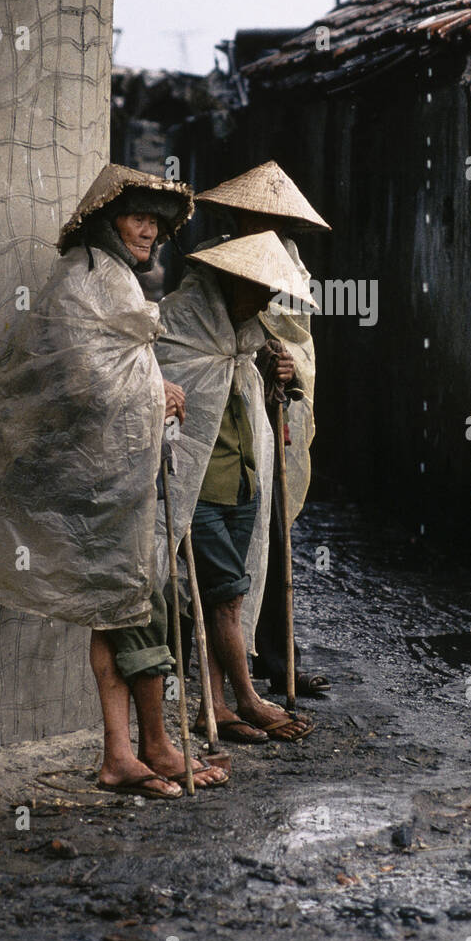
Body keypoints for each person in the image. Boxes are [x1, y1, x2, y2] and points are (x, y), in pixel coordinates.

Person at [0, 163, 225, 799]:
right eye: (139, 218)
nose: (151, 232)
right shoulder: (86, 278)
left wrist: (148, 385)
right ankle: (148, 748)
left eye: (159, 223)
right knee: (130, 607)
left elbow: (115, 366)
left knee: (129, 609)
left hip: (118, 480)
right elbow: (81, 382)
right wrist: (152, 391)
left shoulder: (111, 278)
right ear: (108, 221)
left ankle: (132, 752)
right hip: (93, 486)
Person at [155, 232, 316, 744]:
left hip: (244, 481)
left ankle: (216, 708)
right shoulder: (179, 323)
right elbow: (149, 382)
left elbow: (257, 401)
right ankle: (247, 698)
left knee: (228, 595)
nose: (264, 302)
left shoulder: (249, 341)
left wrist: (279, 375)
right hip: (198, 486)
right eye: (255, 289)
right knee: (223, 597)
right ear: (227, 280)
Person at [195, 162, 332, 696]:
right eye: (251, 217)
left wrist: (287, 369)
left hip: (272, 411)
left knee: (273, 532)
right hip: (226, 413)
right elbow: (206, 340)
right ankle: (223, 665)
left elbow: (300, 344)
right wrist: (252, 361)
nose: (261, 226)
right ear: (235, 215)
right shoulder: (211, 262)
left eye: (272, 221)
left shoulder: (293, 271)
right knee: (223, 536)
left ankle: (280, 659)